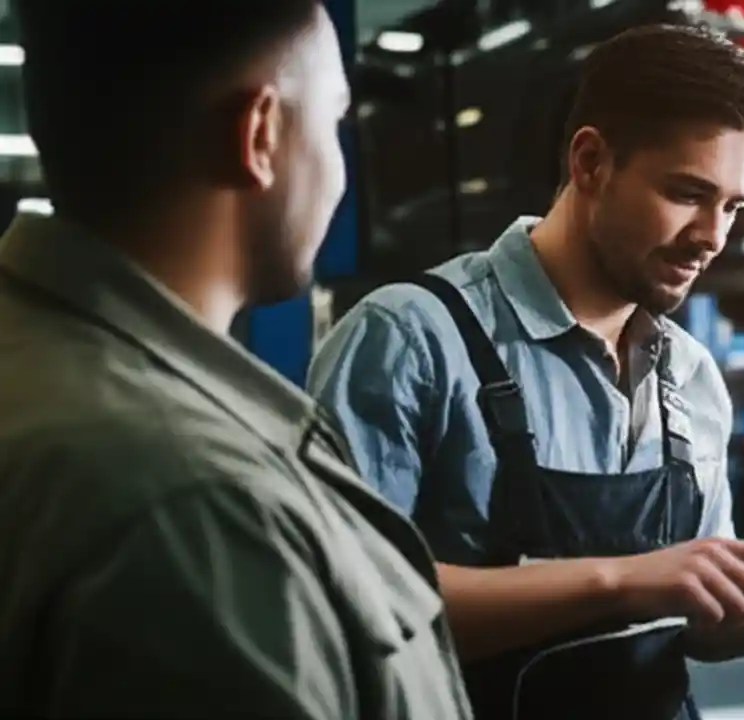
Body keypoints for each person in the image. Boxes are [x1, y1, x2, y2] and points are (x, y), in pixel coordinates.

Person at [309, 24, 744, 720]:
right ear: (590, 162)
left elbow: (685, 622)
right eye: (687, 192)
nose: (713, 235)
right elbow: (339, 601)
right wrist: (622, 581)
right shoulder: (410, 340)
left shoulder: (692, 379)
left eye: (732, 205)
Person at [0, 2, 471, 718]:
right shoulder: (199, 510)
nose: (341, 173)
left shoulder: (38, 366)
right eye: (334, 124)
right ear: (261, 135)